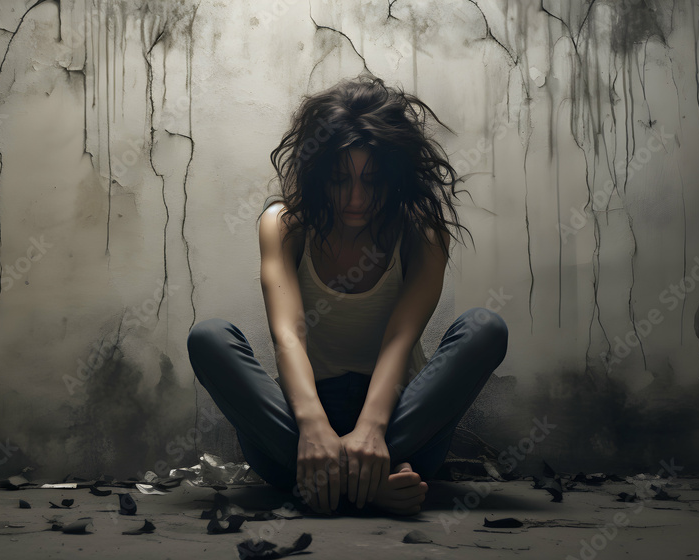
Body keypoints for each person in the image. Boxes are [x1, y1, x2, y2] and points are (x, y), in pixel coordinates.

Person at [186, 75, 508, 516]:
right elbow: (288, 338)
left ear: (394, 177)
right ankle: (367, 487)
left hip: (398, 426)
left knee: (485, 329)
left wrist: (372, 431)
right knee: (209, 338)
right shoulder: (284, 225)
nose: (356, 198)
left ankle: (334, 483)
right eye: (340, 180)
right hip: (298, 433)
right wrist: (313, 427)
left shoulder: (423, 232)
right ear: (318, 175)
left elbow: (399, 341)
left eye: (372, 181)